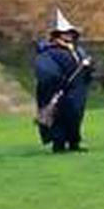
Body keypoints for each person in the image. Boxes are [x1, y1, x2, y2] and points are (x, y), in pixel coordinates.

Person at [33, 9, 93, 153]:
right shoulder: (49, 52)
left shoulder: (78, 50)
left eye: (70, 33)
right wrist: (59, 82)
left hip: (76, 91)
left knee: (75, 116)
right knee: (58, 117)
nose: (69, 35)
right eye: (65, 33)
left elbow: (85, 69)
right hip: (58, 91)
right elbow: (46, 71)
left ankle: (74, 142)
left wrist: (88, 67)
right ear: (57, 35)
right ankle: (58, 143)